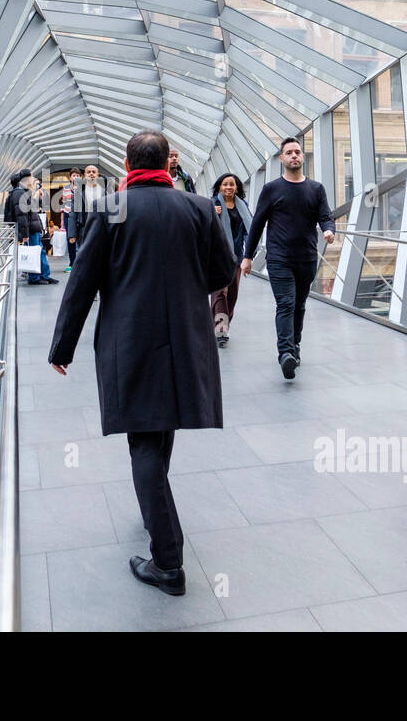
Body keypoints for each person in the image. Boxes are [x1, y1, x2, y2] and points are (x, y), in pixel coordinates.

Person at [49, 131, 237, 597]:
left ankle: (168, 562)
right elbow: (223, 271)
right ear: (167, 163)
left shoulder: (112, 208)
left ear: (126, 161)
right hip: (185, 337)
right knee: (163, 422)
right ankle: (154, 505)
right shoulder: (197, 207)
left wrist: (62, 347)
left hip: (130, 340)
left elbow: (83, 283)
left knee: (143, 439)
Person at [240, 136, 335, 379]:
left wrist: (328, 230)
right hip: (279, 258)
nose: (294, 155)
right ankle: (285, 354)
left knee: (299, 305)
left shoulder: (316, 189)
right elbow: (258, 223)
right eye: (289, 152)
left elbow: (325, 216)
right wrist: (247, 256)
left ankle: (295, 346)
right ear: (282, 159)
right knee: (286, 303)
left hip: (306, 258)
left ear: (302, 157)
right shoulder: (272, 189)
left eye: (297, 152)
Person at [211, 173, 252, 348]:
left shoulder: (243, 206)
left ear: (237, 188)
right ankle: (221, 329)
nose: (228, 187)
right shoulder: (212, 204)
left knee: (232, 294)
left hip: (236, 256)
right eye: (225, 184)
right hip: (216, 256)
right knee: (220, 292)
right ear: (219, 187)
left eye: (232, 185)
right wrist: (211, 215)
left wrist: (248, 255)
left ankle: (222, 324)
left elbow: (251, 229)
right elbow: (201, 227)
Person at [4, 169, 56, 285]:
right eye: (31, 178)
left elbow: (33, 213)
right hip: (30, 229)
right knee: (34, 252)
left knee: (40, 251)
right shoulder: (19, 193)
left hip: (33, 228)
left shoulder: (24, 192)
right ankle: (34, 277)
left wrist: (41, 228)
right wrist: (25, 234)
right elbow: (21, 215)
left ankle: (44, 275)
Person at [65, 163, 104, 262]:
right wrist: (72, 234)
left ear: (97, 175)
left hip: (101, 230)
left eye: (94, 172)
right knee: (84, 259)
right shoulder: (78, 193)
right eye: (88, 172)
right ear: (85, 176)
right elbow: (72, 214)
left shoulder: (105, 192)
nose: (91, 174)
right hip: (84, 230)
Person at [61, 168, 81, 270]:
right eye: (74, 175)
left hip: (80, 215)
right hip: (68, 215)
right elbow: (64, 205)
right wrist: (62, 223)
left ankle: (81, 262)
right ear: (70, 177)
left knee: (81, 237)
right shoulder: (66, 189)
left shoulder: (83, 188)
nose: (76, 177)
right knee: (70, 239)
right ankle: (72, 262)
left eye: (78, 175)